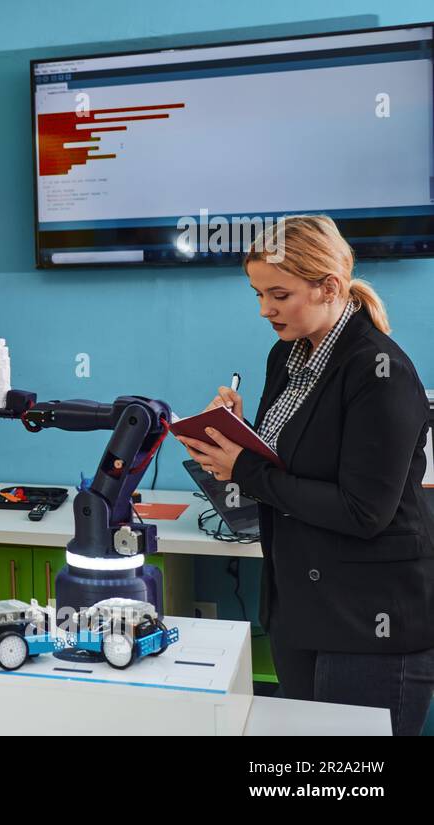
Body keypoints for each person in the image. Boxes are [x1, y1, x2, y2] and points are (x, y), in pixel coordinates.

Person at [177, 215, 434, 735]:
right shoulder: (287, 355)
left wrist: (243, 467)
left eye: (278, 294)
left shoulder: (380, 371)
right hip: (299, 609)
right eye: (256, 294)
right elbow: (296, 462)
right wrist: (234, 436)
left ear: (330, 287)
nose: (264, 310)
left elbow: (364, 513)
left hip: (368, 621)